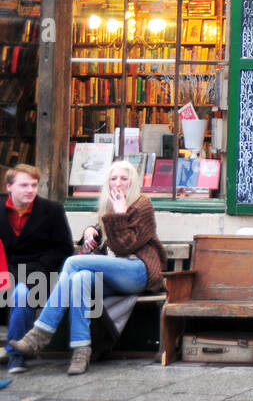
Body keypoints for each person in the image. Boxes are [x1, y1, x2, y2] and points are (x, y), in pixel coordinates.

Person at [10, 161, 164, 375]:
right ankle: (81, 350)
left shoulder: (142, 205)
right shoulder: (109, 205)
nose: (118, 183)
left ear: (133, 182)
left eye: (124, 178)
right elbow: (107, 242)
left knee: (73, 263)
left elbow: (125, 246)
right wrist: (91, 231)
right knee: (79, 278)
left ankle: (39, 334)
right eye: (113, 178)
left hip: (136, 271)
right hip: (113, 274)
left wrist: (120, 214)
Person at [1, 165, 74, 374]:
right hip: (4, 273)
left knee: (21, 293)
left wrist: (34, 271)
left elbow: (64, 249)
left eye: (34, 185)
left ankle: (16, 356)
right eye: (24, 185)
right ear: (9, 187)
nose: (30, 190)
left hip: (39, 276)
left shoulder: (52, 210)